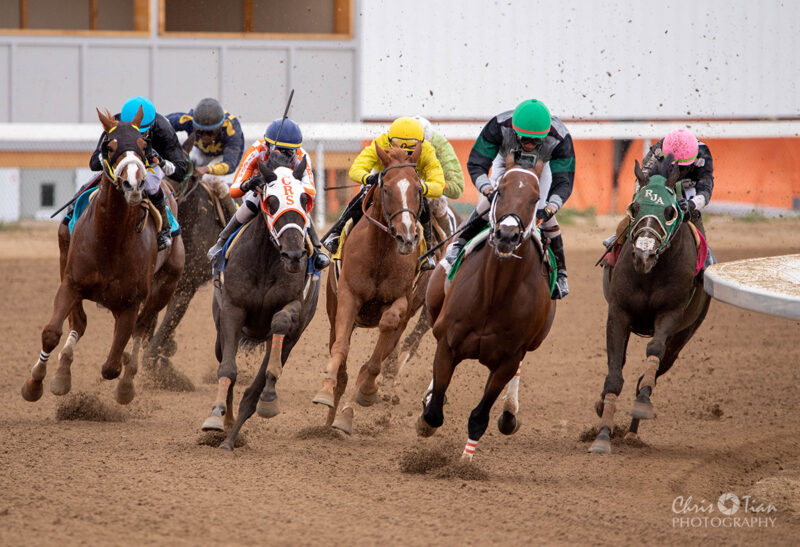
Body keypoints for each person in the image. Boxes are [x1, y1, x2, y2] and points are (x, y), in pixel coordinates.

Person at [443, 99, 575, 299]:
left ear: (546, 136)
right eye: (525, 139)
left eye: (536, 141)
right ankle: (459, 245)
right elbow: (477, 163)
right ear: (514, 131)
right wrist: (487, 189)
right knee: (490, 203)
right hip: (506, 161)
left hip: (542, 167)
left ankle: (561, 274)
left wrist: (551, 207)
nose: (529, 145)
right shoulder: (498, 126)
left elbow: (564, 181)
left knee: (546, 215)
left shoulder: (560, 138)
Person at [321, 116, 447, 270]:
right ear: (389, 141)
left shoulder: (426, 150)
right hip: (383, 185)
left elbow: (438, 184)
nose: (403, 154)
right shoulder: (379, 143)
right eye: (399, 148)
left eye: (409, 151)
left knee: (424, 204)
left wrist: (420, 188)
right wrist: (369, 178)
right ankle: (336, 232)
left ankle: (427, 251)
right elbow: (356, 169)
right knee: (361, 197)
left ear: (419, 145)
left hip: (411, 187)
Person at [64, 96, 187, 250]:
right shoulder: (115, 125)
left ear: (152, 124)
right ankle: (71, 213)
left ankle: (165, 229)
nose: (138, 136)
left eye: (143, 133)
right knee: (93, 182)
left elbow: (181, 172)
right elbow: (94, 163)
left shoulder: (164, 129)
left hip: (152, 163)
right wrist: (105, 155)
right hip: (123, 163)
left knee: (150, 185)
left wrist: (161, 162)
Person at [206, 118, 330, 271]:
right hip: (259, 192)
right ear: (268, 145)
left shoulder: (301, 156)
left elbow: (311, 191)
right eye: (279, 150)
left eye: (289, 152)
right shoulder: (257, 150)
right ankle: (221, 242)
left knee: (298, 204)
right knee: (251, 203)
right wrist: (249, 183)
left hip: (288, 195)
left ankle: (317, 250)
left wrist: (290, 185)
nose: (284, 155)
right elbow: (235, 189)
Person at [602, 128, 714, 255]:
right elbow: (642, 178)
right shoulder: (659, 149)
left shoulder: (703, 154)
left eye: (683, 168)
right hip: (660, 189)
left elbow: (705, 187)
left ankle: (706, 262)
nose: (679, 171)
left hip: (687, 192)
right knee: (634, 216)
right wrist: (642, 201)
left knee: (697, 225)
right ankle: (615, 249)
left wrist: (692, 205)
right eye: (674, 166)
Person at [166, 98, 244, 218]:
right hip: (200, 152)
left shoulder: (231, 129)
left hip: (222, 157)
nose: (205, 136)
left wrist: (206, 169)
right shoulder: (188, 119)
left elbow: (230, 164)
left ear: (219, 128)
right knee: (182, 168)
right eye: (200, 132)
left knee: (213, 179)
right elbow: (161, 123)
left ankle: (234, 219)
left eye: (210, 133)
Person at [413, 115, 464, 236]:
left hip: (430, 187)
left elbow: (457, 188)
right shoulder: (392, 142)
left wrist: (435, 184)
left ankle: (446, 243)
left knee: (437, 202)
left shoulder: (441, 147)